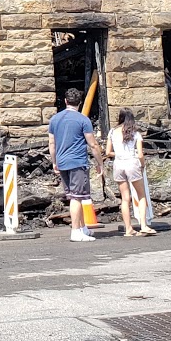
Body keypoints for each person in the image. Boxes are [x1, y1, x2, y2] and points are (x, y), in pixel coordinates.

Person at [47, 87, 103, 242]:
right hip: (77, 162)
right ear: (80, 103)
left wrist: (54, 162)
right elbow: (93, 144)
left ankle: (83, 227)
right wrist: (100, 163)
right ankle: (75, 231)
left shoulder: (55, 119)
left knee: (75, 196)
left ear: (66, 101)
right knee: (77, 198)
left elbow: (52, 143)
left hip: (62, 161)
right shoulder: (83, 120)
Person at [108, 108, 156, 238]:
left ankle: (128, 229)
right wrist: (142, 165)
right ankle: (144, 226)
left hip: (118, 164)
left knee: (125, 198)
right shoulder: (135, 133)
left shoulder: (112, 132)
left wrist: (119, 154)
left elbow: (108, 152)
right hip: (132, 163)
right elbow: (140, 154)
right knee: (141, 195)